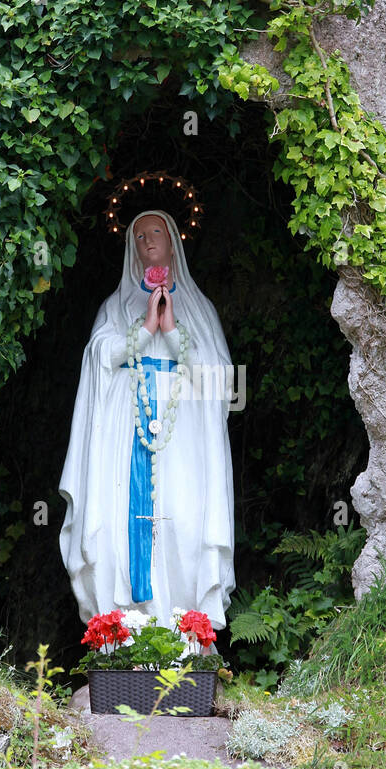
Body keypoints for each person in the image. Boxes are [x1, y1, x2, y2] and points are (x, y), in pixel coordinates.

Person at [59, 208, 235, 630]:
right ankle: (123, 634)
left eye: (156, 232)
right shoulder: (115, 307)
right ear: (131, 249)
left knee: (185, 522)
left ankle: (186, 633)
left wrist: (172, 330)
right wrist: (141, 332)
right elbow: (98, 361)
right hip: (124, 437)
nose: (148, 241)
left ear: (174, 240)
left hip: (184, 443)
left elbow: (224, 387)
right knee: (117, 528)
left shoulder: (200, 308)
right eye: (138, 236)